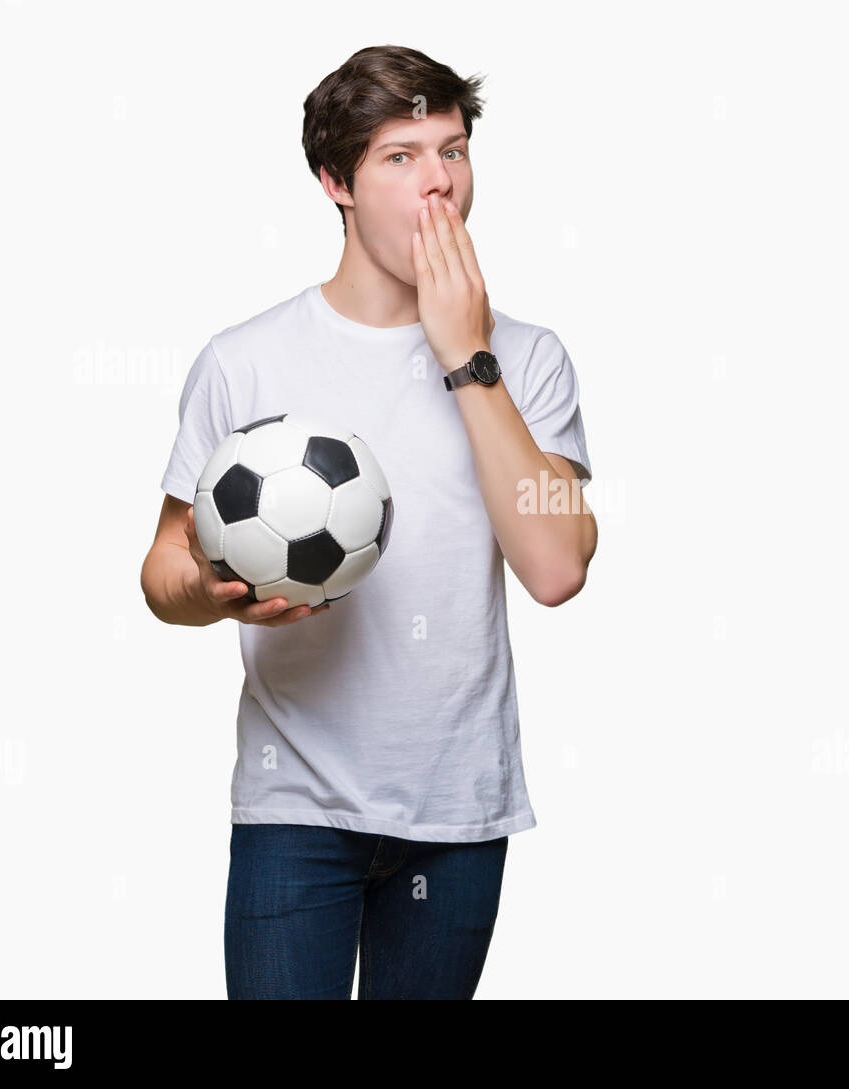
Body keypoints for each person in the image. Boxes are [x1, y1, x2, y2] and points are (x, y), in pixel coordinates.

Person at [138, 44, 597, 1000]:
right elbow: (161, 572)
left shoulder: (529, 359)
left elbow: (556, 566)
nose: (440, 183)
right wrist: (213, 594)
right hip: (293, 804)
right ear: (334, 181)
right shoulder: (244, 361)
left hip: (457, 808)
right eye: (401, 156)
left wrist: (466, 355)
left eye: (454, 149)